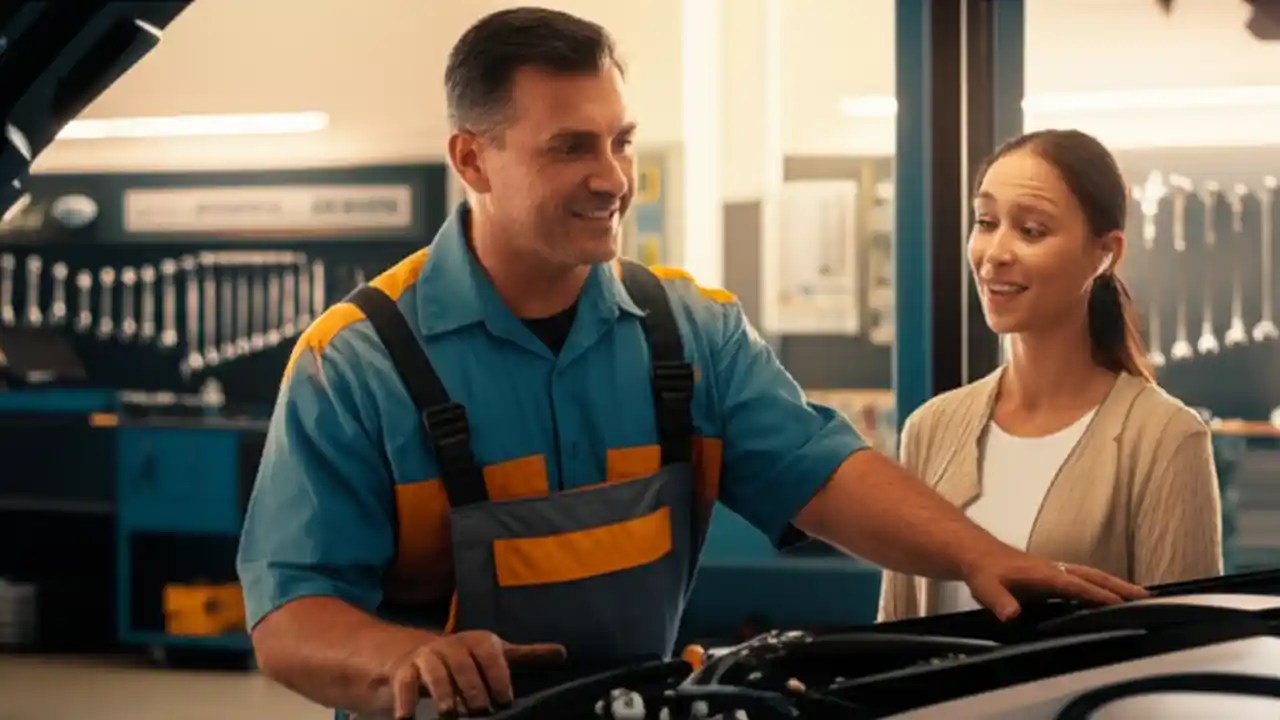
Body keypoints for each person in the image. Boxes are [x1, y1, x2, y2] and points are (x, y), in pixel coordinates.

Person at [236, 10, 1146, 719]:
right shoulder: (356, 364)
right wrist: (401, 659)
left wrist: (981, 558)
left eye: (620, 140)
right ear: (473, 158)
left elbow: (823, 473)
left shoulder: (686, 333)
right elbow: (289, 617)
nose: (614, 177)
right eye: (571, 148)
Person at [877, 129, 1224, 623]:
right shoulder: (931, 428)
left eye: (1032, 230)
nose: (995, 252)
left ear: (1105, 253)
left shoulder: (1165, 438)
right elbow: (894, 632)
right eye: (986, 221)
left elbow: (1182, 653)